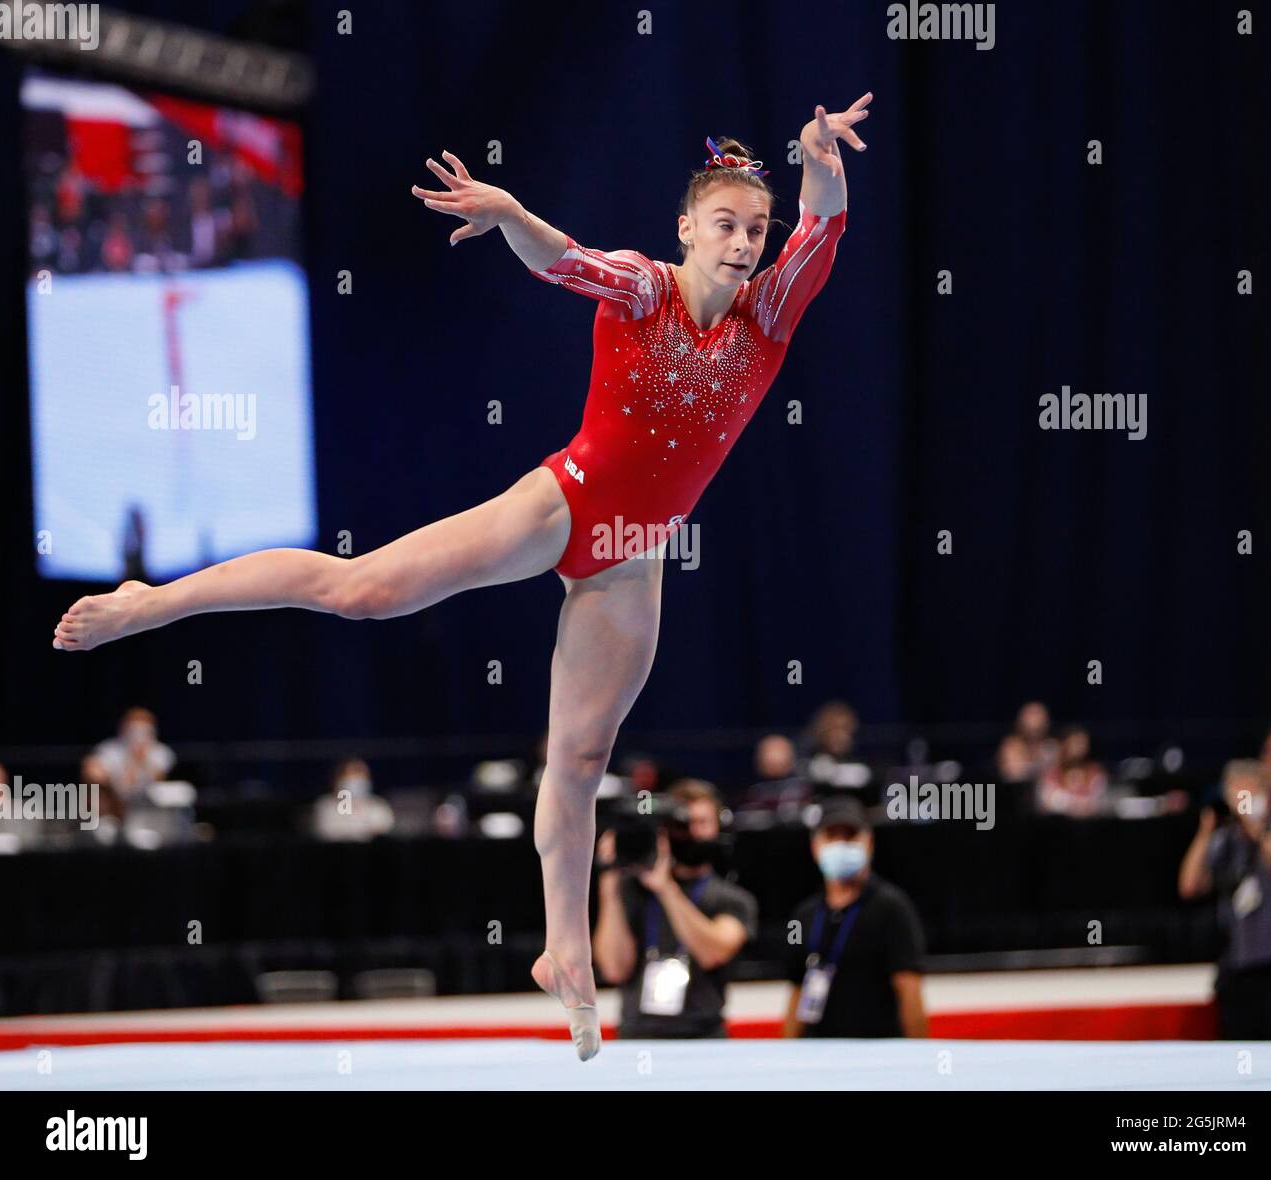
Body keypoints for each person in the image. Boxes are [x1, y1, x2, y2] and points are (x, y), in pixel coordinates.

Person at [51, 95, 871, 1060]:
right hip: (562, 503)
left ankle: (563, 953)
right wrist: (512, 215)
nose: (743, 244)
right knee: (361, 589)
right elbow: (567, 259)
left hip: (634, 558)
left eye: (755, 230)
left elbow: (826, 221)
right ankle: (159, 601)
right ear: (687, 229)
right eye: (725, 226)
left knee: (577, 763)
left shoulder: (769, 313)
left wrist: (818, 153)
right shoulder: (646, 288)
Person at [592, 780, 757, 1039]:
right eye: (682, 825)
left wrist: (666, 889)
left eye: (701, 823)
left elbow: (713, 952)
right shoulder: (632, 890)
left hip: (703, 1039)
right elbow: (613, 968)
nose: (691, 832)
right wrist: (609, 883)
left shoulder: (732, 898)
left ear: (718, 827)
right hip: (635, 1037)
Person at [783, 796, 927, 1038]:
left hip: (878, 1054)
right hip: (817, 1054)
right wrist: (787, 1056)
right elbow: (797, 991)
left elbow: (909, 989)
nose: (840, 845)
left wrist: (920, 1058)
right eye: (831, 836)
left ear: (868, 843)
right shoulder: (801, 917)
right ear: (815, 847)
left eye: (849, 837)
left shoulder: (892, 908)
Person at [1179, 759, 1271, 1038]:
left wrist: (1257, 830)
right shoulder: (1224, 842)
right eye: (1234, 796)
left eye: (1247, 795)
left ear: (1265, 796)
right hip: (1240, 966)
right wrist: (1205, 832)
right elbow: (1190, 886)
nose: (1239, 805)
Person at [91, 707, 176, 801]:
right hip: (116, 803)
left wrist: (141, 759)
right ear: (123, 727)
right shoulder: (108, 749)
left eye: (143, 729)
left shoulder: (162, 752)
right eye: (133, 729)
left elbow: (158, 779)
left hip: (150, 804)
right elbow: (98, 779)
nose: (137, 735)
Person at [310, 759, 395, 842]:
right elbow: (327, 833)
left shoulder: (380, 806)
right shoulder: (324, 806)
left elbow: (384, 833)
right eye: (351, 774)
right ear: (337, 780)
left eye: (360, 774)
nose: (356, 780)